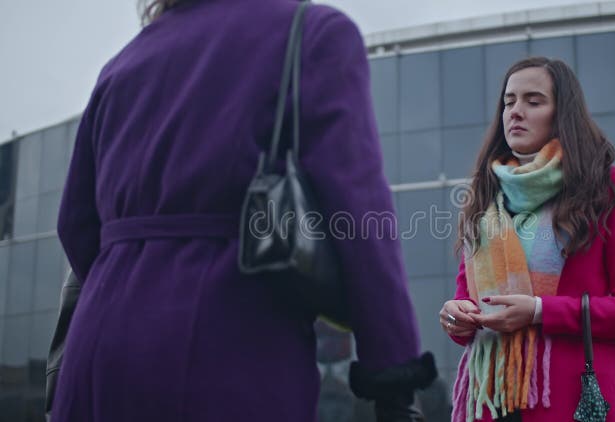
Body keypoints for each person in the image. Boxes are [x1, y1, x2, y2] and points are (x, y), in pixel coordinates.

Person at [51, 0, 434, 421]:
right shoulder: (315, 32)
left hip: (96, 351)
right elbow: (359, 216)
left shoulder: (122, 64)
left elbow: (75, 224)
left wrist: (133, 274)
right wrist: (393, 373)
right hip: (228, 342)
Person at [439, 57, 615, 422]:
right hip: (491, 407)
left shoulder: (609, 189)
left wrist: (540, 311)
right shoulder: (484, 199)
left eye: (533, 100)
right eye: (509, 101)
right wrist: (456, 316)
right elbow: (470, 302)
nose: (515, 112)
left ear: (562, 113)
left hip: (572, 406)